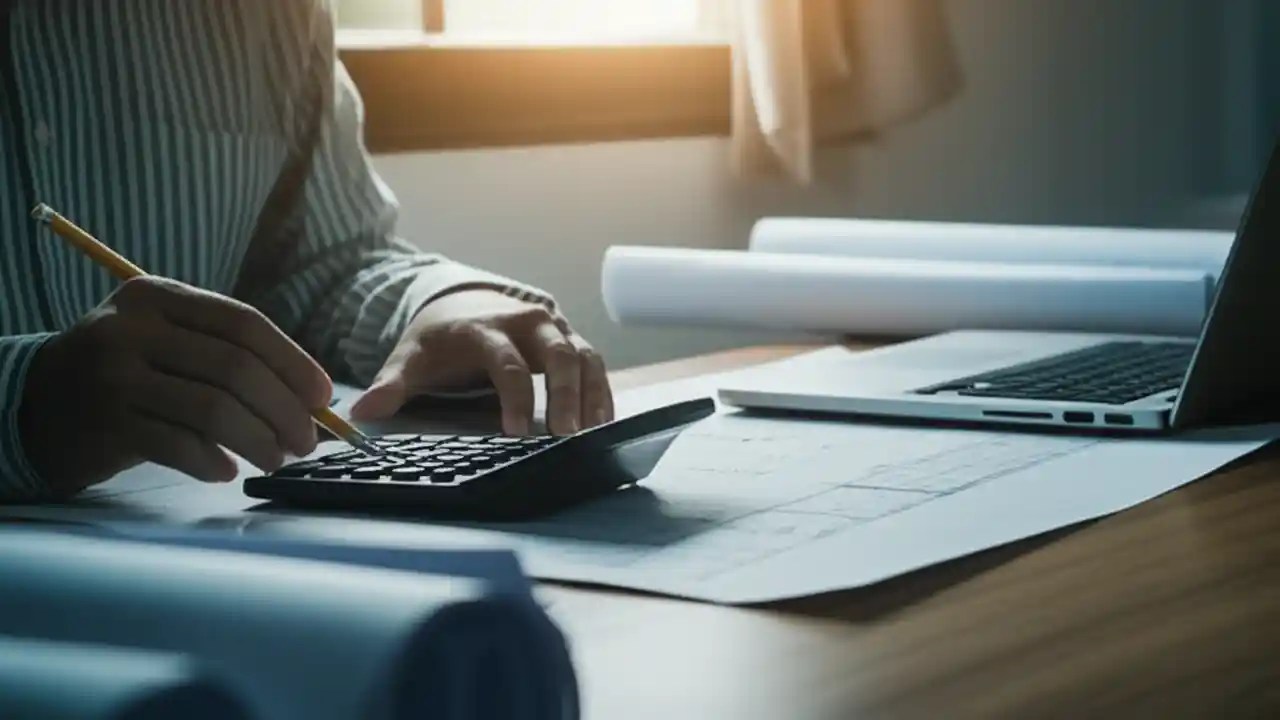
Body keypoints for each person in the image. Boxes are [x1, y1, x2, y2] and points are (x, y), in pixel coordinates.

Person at [0, 0, 614, 500]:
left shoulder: (273, 15)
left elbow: (323, 265)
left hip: (204, 570)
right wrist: (26, 403)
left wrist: (442, 303)